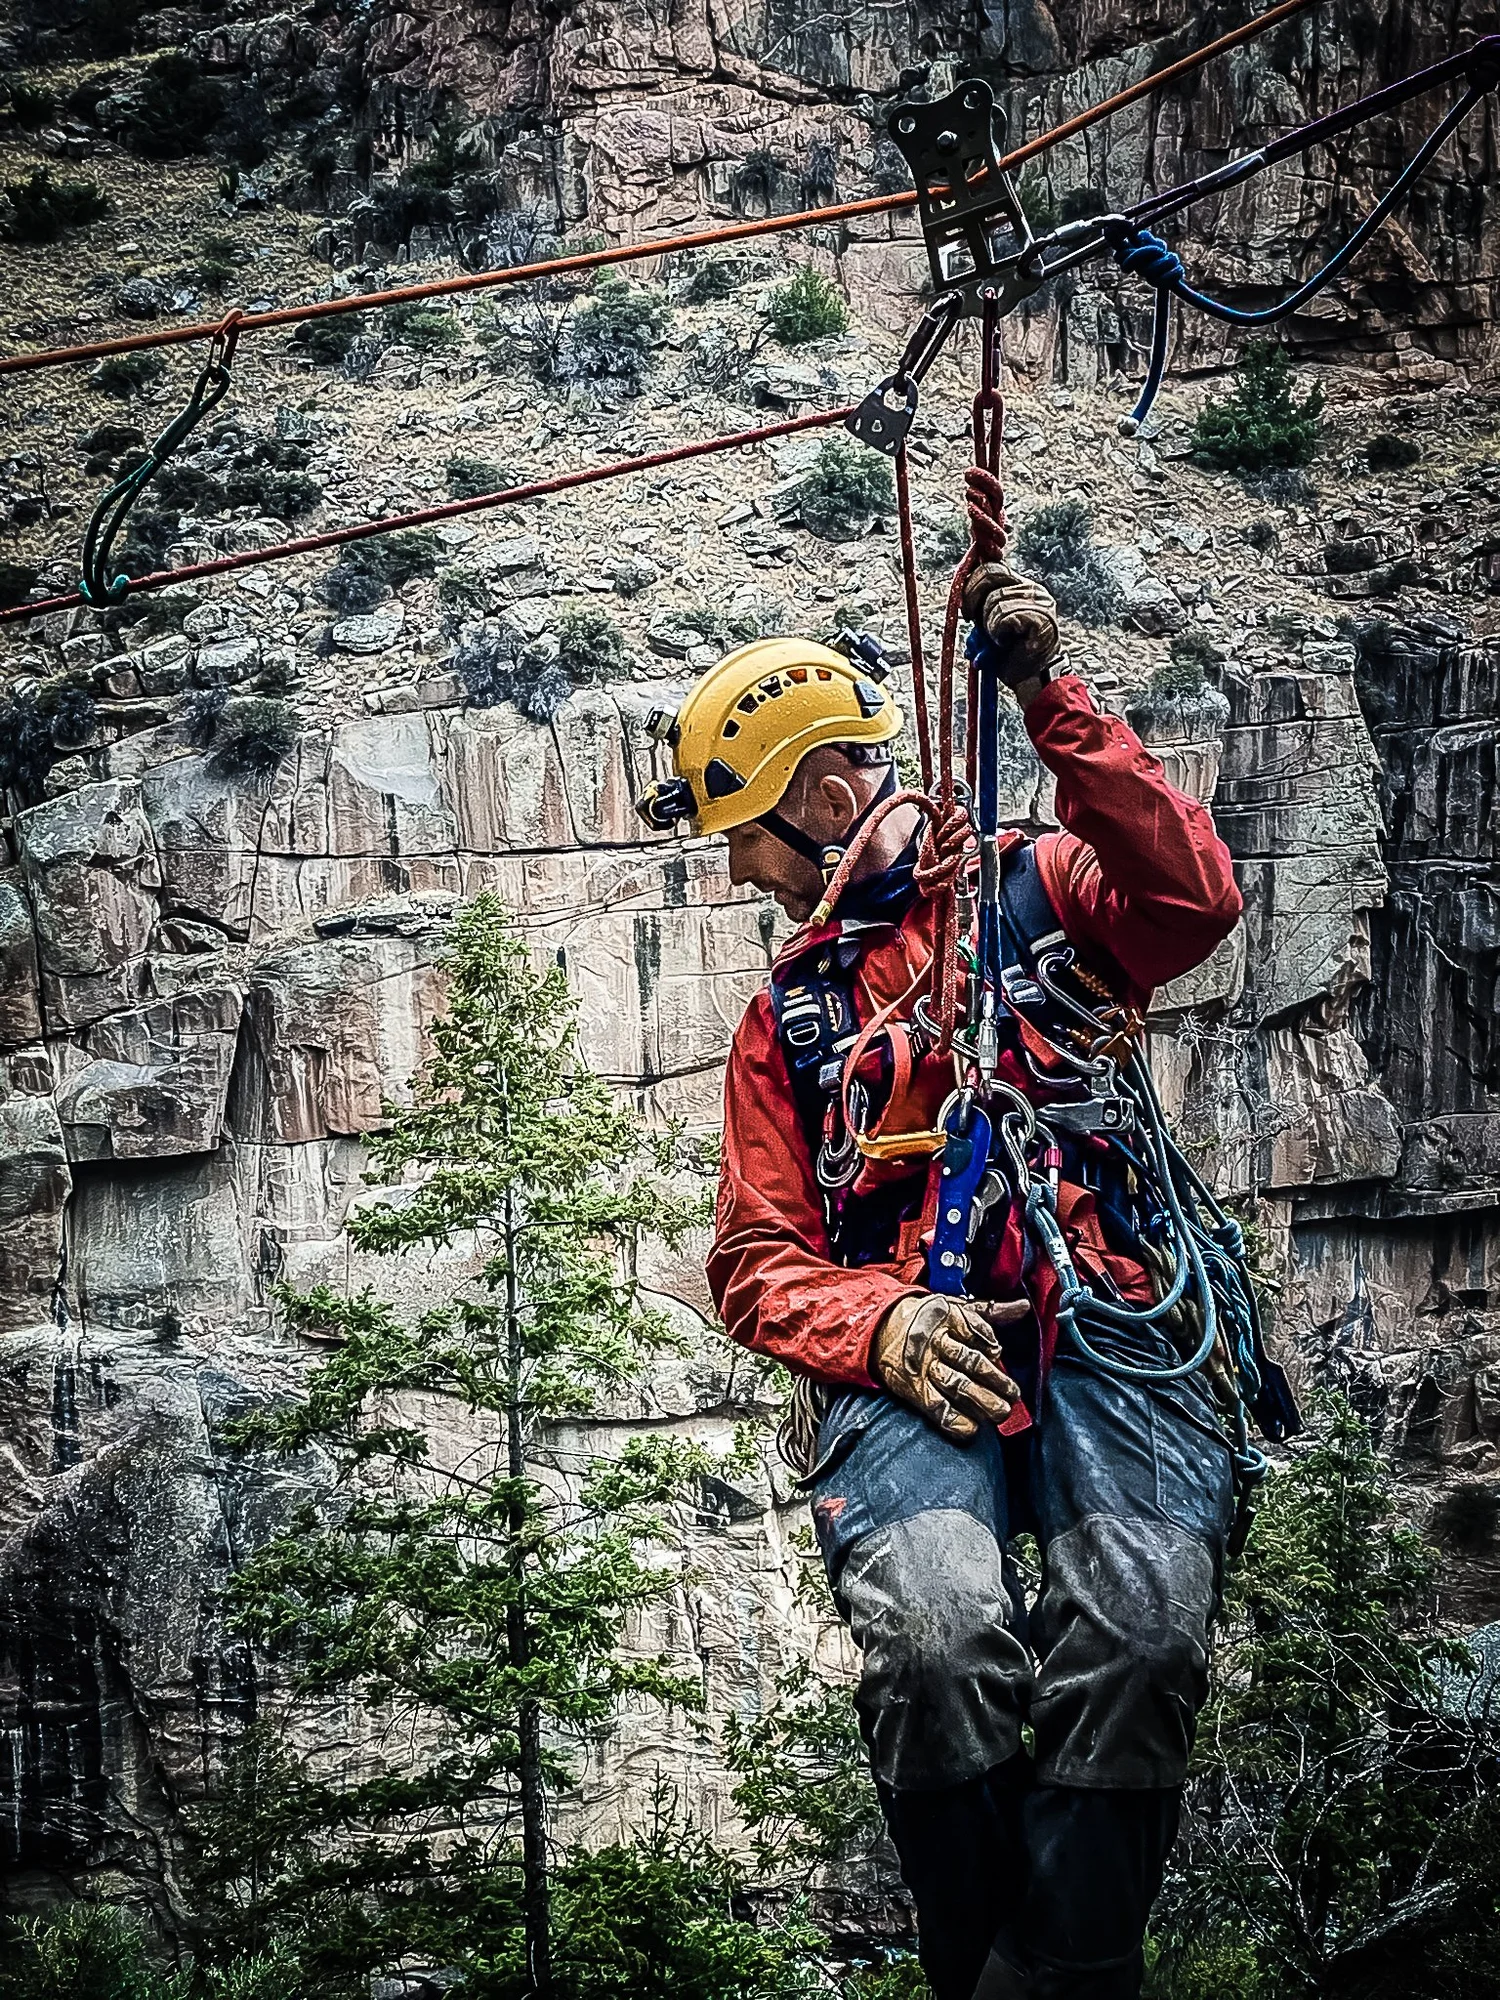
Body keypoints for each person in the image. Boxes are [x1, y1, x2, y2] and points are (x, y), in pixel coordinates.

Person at [634, 564, 1245, 2000]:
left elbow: (1192, 899)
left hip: (1098, 1313)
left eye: (746, 834)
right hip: (908, 1346)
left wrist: (1049, 698)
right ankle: (1001, 1974)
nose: (737, 871)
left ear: (822, 797)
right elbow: (751, 1259)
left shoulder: (1040, 884)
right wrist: (883, 1320)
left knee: (1146, 1639)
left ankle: (1050, 1978)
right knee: (933, 1643)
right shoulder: (784, 1020)